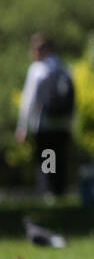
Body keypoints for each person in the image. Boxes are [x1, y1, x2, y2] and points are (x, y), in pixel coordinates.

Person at [16, 34, 75, 197]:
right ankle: (59, 191)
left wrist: (22, 126)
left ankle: (48, 191)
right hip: (63, 123)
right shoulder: (63, 67)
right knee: (60, 157)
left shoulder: (37, 70)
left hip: (45, 123)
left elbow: (28, 100)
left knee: (47, 157)